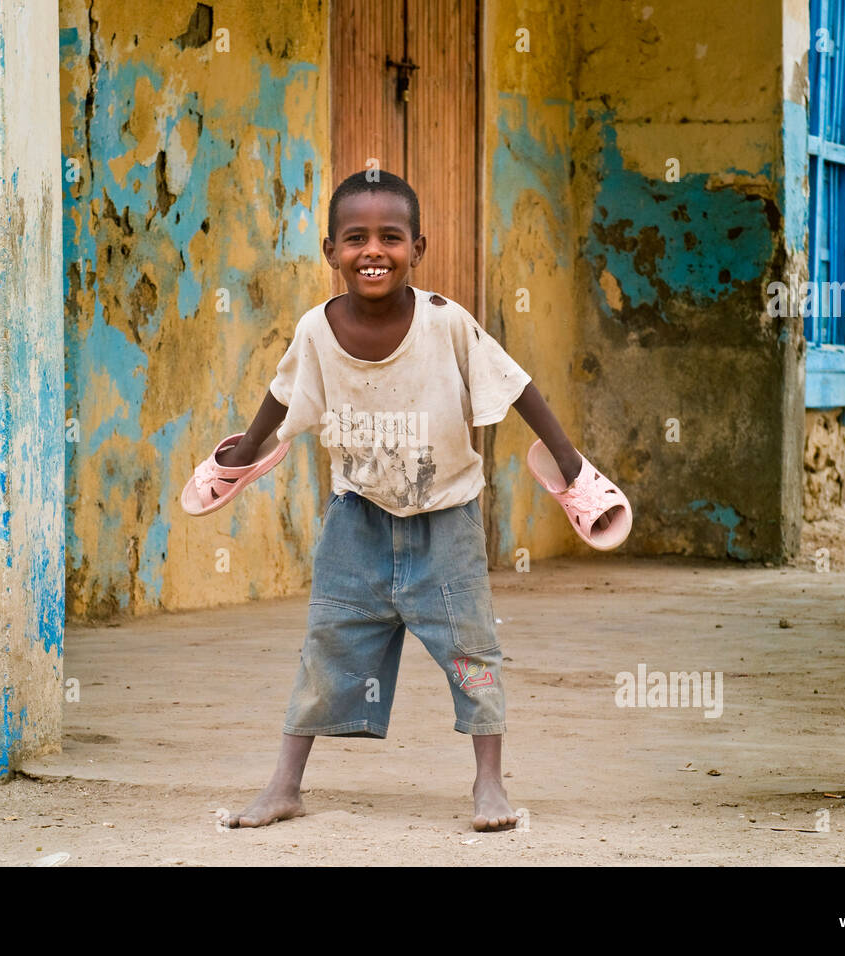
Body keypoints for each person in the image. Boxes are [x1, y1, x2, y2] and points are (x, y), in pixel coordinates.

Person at [202, 171, 607, 831]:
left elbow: (516, 385)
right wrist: (241, 456)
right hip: (354, 517)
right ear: (330, 249)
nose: (373, 250)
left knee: (471, 651)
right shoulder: (315, 329)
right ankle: (283, 785)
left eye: (391, 236)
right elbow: (282, 393)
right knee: (325, 645)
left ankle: (489, 786)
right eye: (355, 237)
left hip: (446, 519)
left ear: (418, 246)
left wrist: (572, 470)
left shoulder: (446, 322)